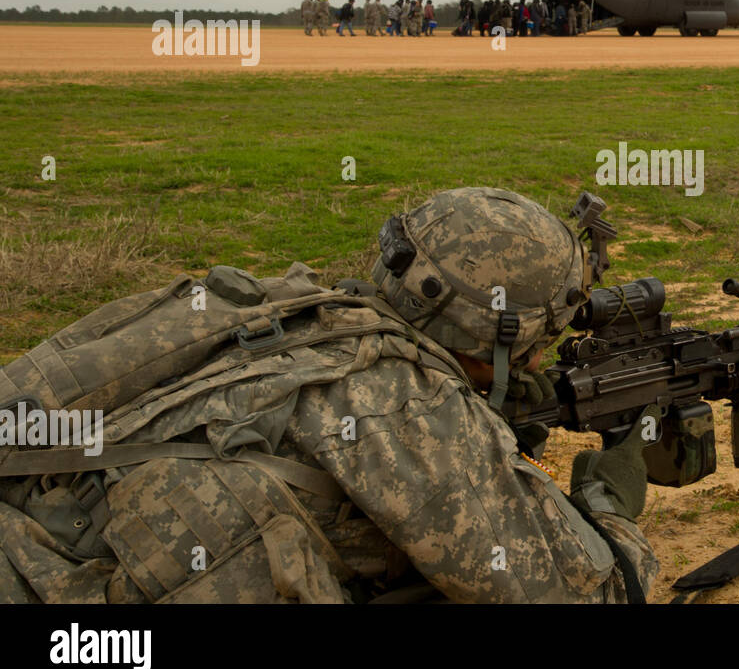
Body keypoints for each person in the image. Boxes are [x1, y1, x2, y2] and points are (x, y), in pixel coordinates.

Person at [0, 188, 658, 603]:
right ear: (506, 338)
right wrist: (609, 501)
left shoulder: (270, 302)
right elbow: (583, 595)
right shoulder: (411, 413)